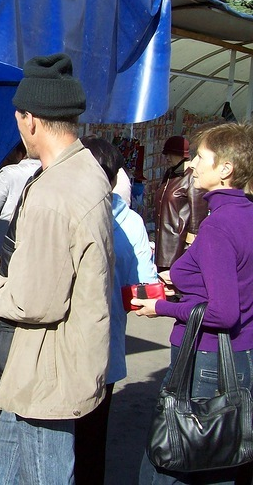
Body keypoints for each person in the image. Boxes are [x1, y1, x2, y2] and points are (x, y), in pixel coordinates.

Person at [0, 53, 114, 484]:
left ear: (30, 121)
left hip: (46, 376)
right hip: (33, 370)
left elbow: (35, 299)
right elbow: (40, 257)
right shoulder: (79, 171)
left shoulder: (56, 190)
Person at [133, 122, 253, 485]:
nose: (191, 165)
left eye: (201, 157)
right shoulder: (245, 214)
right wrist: (185, 281)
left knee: (174, 456)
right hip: (241, 356)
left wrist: (162, 308)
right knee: (220, 455)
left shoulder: (219, 226)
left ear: (225, 170)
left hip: (205, 360)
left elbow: (222, 311)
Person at [76, 137, 158, 485]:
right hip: (106, 348)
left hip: (63, 349)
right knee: (93, 440)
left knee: (56, 441)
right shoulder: (133, 223)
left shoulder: (71, 214)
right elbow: (142, 291)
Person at [153, 135, 208, 272]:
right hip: (162, 242)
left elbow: (197, 215)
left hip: (177, 245)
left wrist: (190, 246)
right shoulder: (170, 174)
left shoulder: (191, 177)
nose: (167, 158)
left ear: (180, 155)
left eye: (170, 154)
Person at [0, 141, 41, 257]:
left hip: (2, 244)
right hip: (32, 245)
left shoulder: (10, 172)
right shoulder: (49, 171)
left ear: (21, 154)